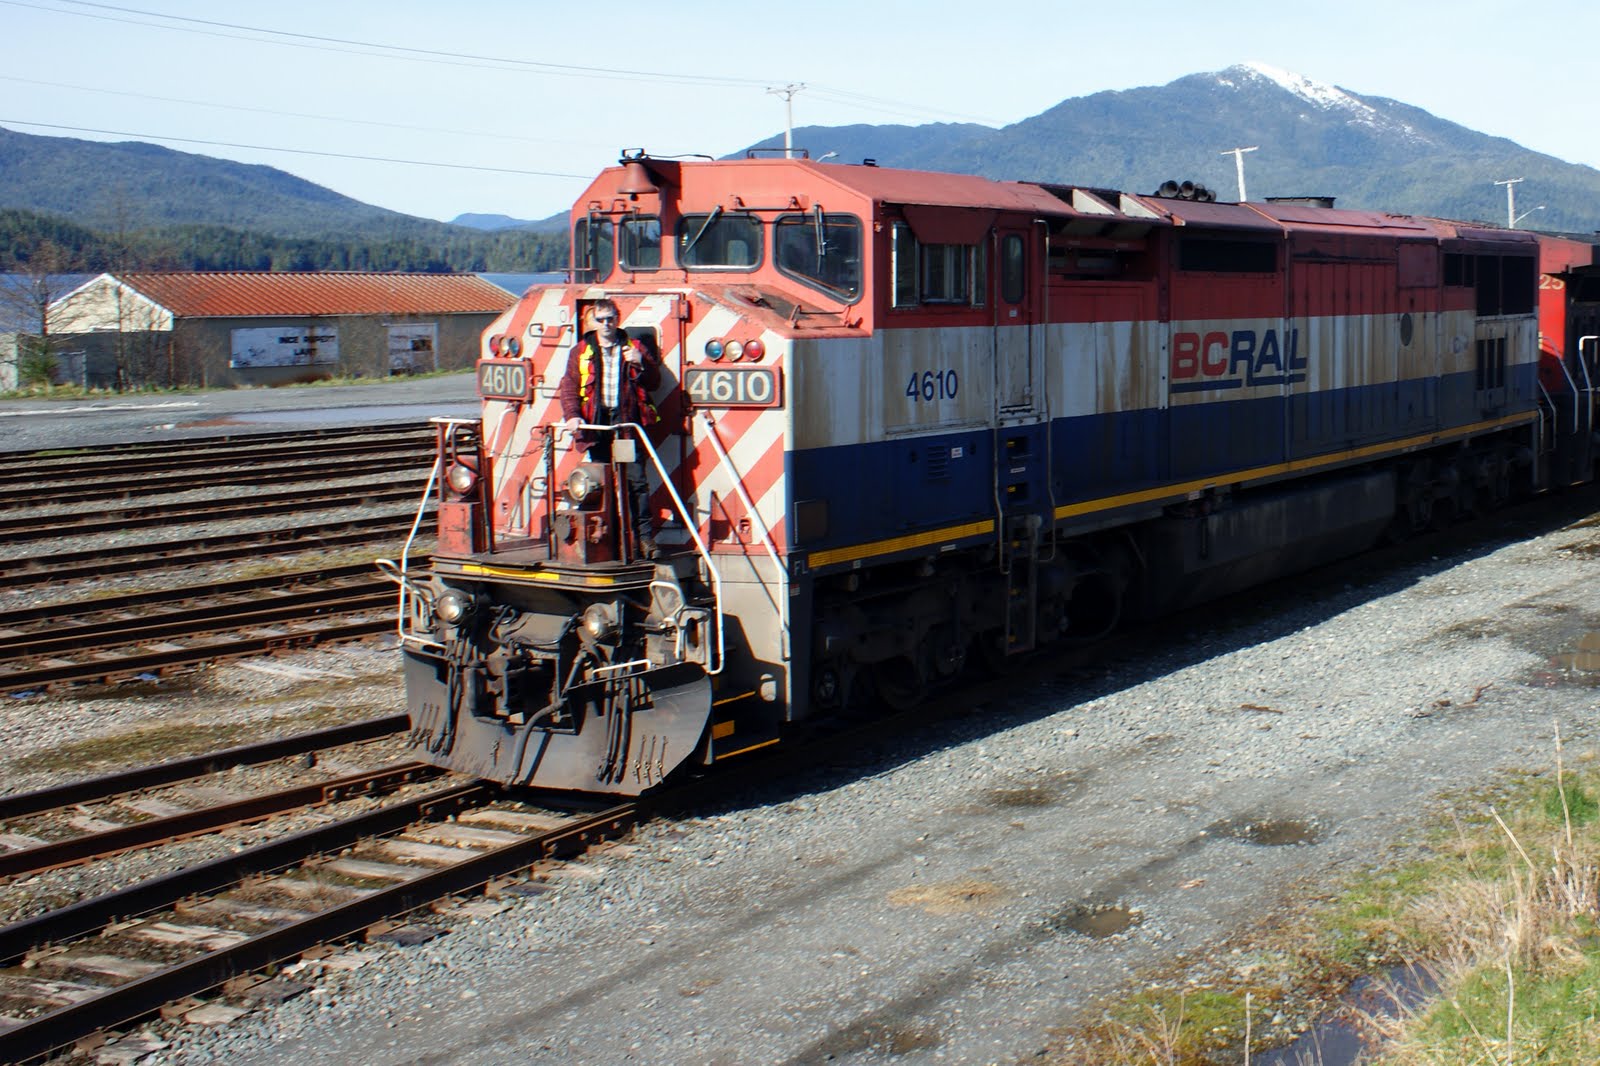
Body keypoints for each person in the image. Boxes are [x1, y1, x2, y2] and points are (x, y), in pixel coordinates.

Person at [557, 299, 663, 555]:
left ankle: (644, 539)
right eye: (601, 319)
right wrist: (572, 416)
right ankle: (609, 539)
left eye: (611, 318)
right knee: (600, 483)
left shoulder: (633, 347)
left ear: (618, 319)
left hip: (626, 427)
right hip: (597, 427)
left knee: (635, 481)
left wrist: (641, 363)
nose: (606, 324)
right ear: (594, 321)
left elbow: (654, 382)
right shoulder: (580, 351)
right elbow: (569, 386)